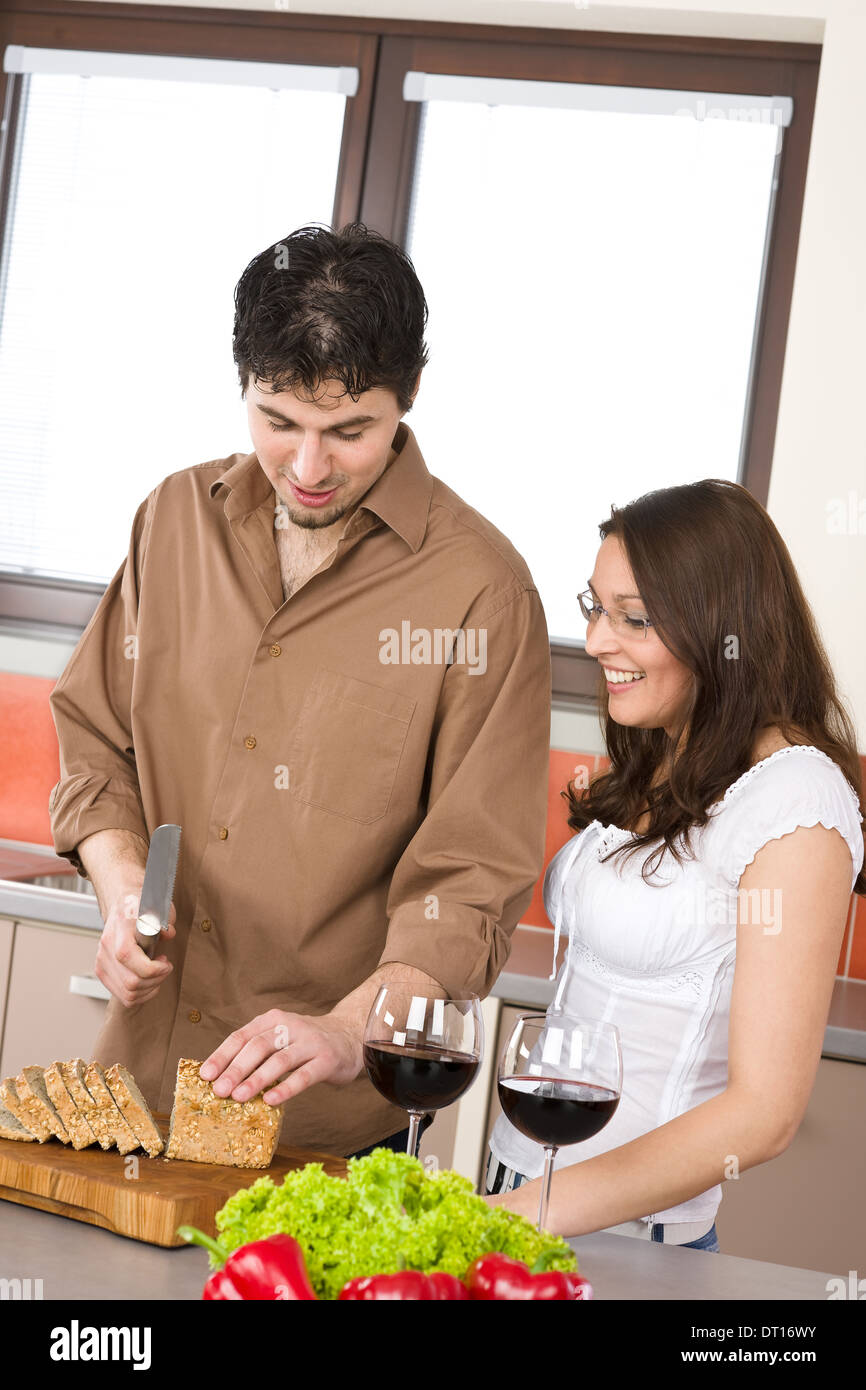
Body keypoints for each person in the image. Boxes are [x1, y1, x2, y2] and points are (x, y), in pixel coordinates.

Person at [48, 222, 551, 1159]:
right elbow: (95, 737)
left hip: (320, 1132)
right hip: (134, 1095)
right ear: (242, 383)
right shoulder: (171, 522)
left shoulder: (482, 591)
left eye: (349, 430)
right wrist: (122, 892)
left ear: (409, 399)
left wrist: (348, 1029)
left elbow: (467, 885)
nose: (308, 468)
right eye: (278, 420)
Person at [484, 478, 865, 1249]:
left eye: (634, 620)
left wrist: (525, 1219)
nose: (595, 642)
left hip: (624, 1240)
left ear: (723, 628)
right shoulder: (667, 750)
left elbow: (764, 1114)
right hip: (514, 1189)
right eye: (596, 608)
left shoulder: (797, 801)